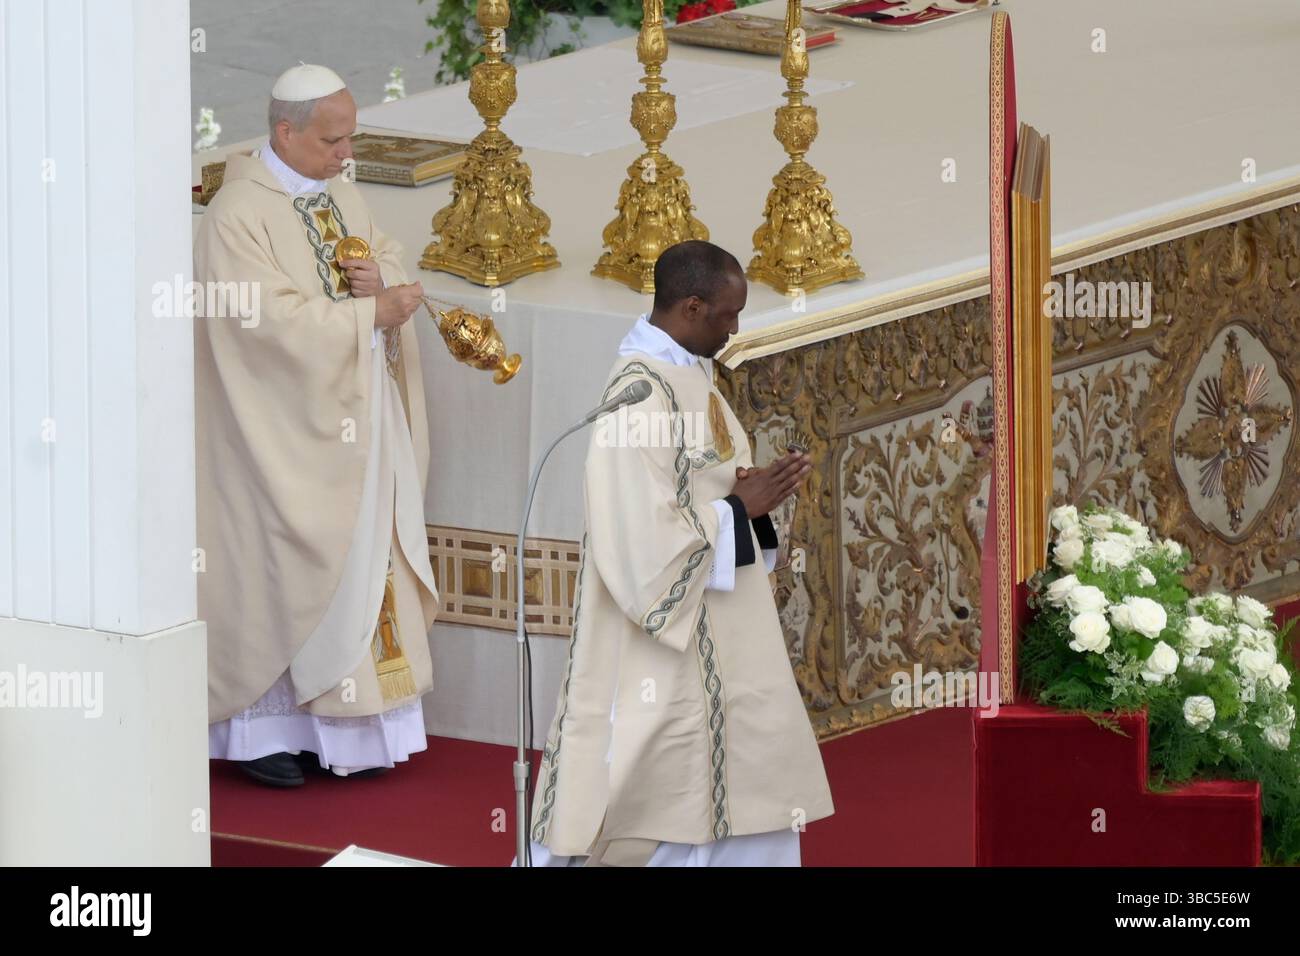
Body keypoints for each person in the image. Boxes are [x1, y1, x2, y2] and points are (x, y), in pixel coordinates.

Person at [526, 240, 833, 866]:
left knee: (752, 769)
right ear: (691, 306)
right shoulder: (638, 397)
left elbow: (704, 481)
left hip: (722, 619)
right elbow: (637, 539)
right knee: (657, 777)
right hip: (660, 635)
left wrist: (751, 492)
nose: (736, 328)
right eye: (727, 315)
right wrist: (737, 511)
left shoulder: (689, 370)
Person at [195, 64, 438, 786]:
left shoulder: (340, 193)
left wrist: (383, 283)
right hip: (273, 434)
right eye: (333, 141)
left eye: (350, 140)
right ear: (285, 132)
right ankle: (261, 732)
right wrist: (369, 315)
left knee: (365, 558)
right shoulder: (237, 214)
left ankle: (351, 724)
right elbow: (259, 324)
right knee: (274, 566)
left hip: (354, 416)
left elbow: (380, 253)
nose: (345, 155)